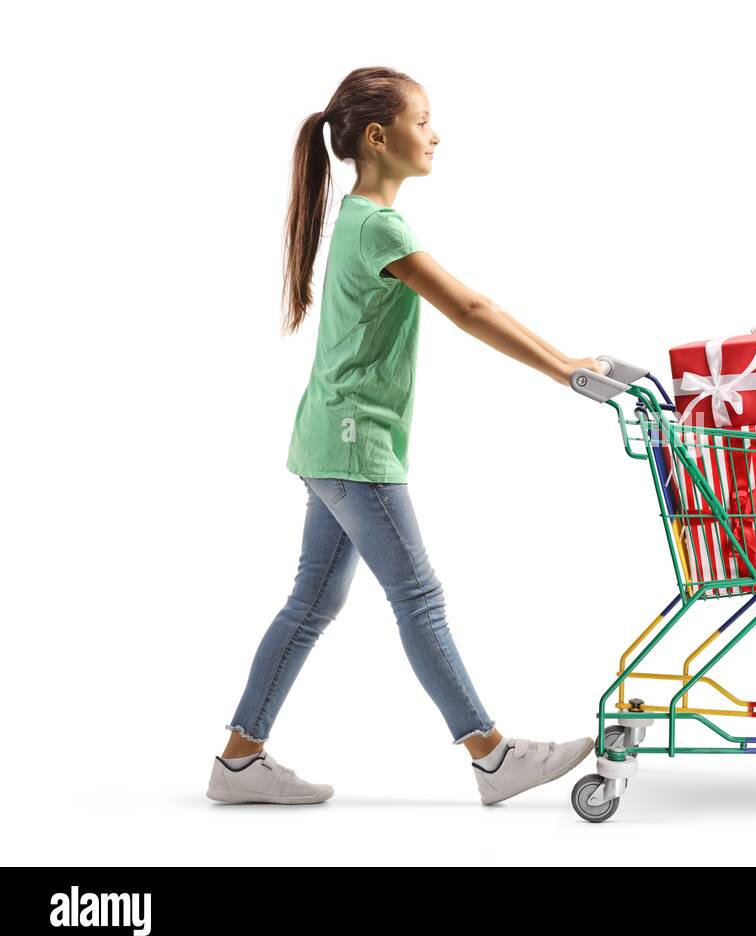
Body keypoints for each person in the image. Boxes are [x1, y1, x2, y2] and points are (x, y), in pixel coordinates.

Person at [207, 66, 598, 807]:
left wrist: (565, 365)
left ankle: (237, 761)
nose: (436, 134)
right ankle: (491, 755)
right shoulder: (379, 225)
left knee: (312, 605)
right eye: (425, 120)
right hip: (356, 448)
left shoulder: (356, 220)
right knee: (417, 597)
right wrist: (563, 368)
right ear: (380, 137)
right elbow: (471, 308)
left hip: (327, 441)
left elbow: (471, 307)